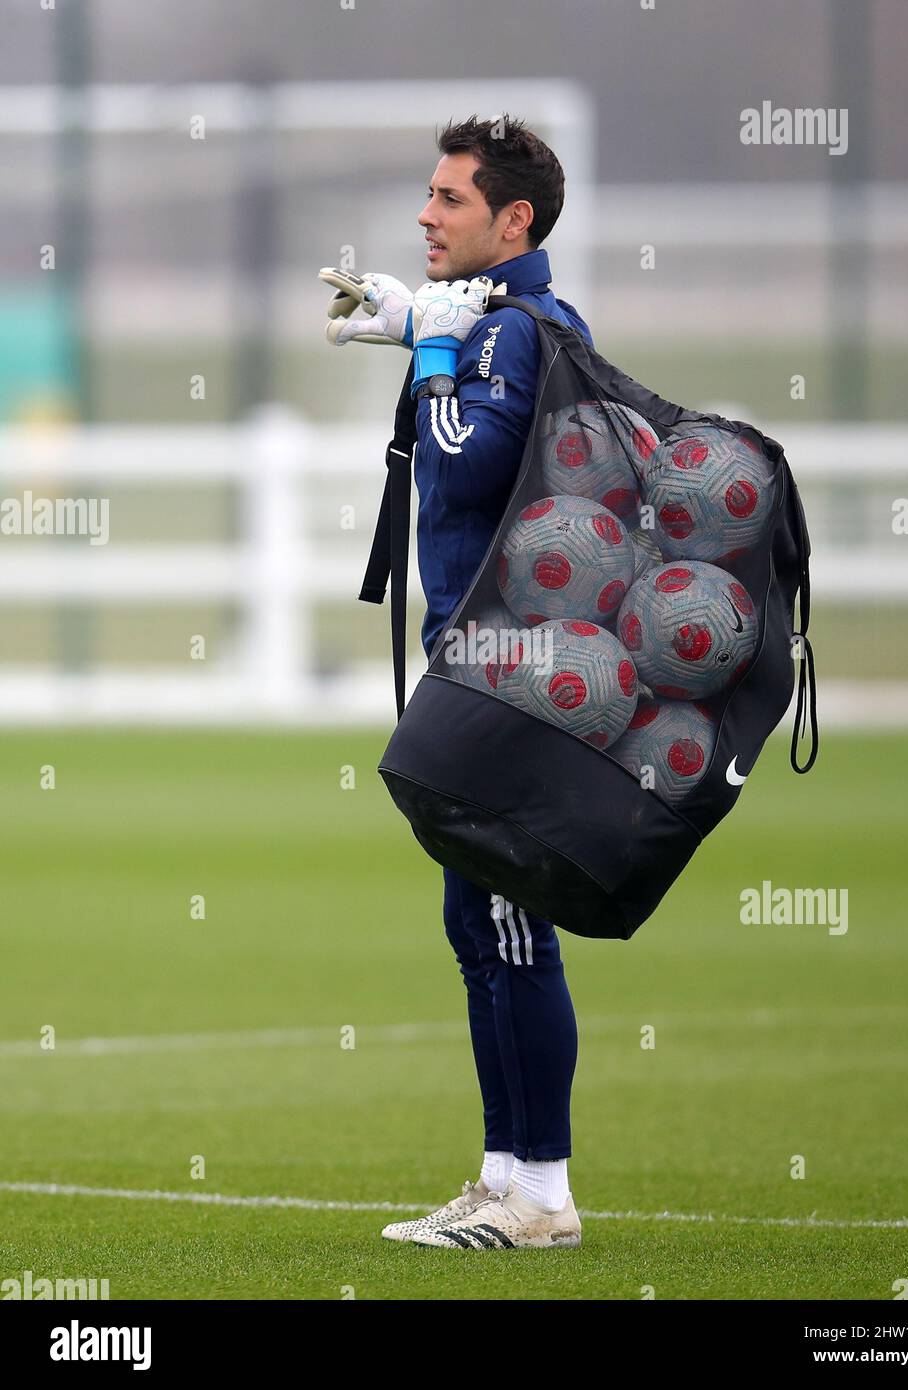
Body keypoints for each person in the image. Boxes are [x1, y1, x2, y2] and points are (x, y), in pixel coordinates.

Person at [321, 114, 592, 1250]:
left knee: (513, 924)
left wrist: (431, 345)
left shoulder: (512, 329)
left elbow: (461, 454)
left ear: (511, 217)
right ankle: (502, 1176)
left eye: (448, 198)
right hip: (486, 658)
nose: (424, 215)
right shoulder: (515, 319)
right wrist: (419, 329)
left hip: (512, 664)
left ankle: (540, 1193)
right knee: (477, 918)